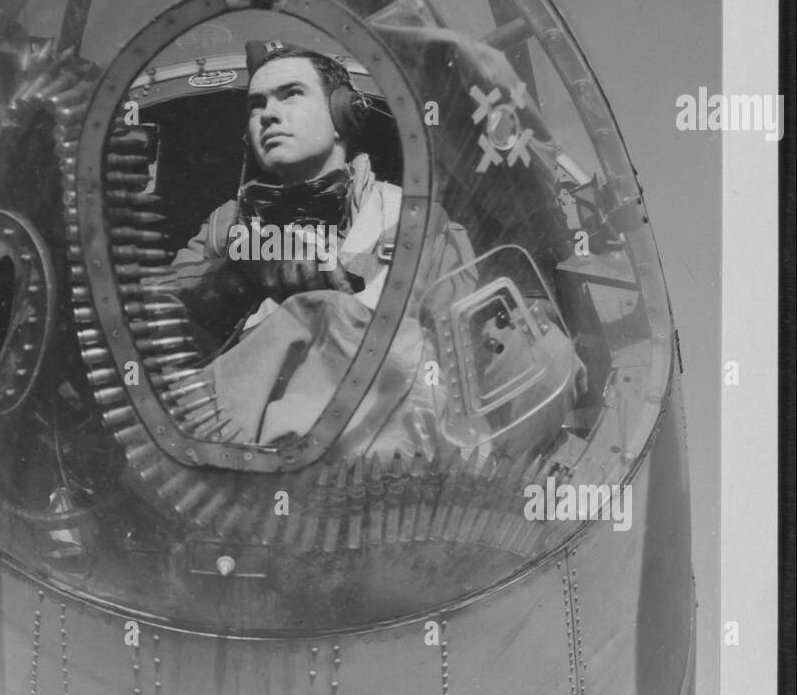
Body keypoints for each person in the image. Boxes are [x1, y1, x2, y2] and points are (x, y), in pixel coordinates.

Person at [157, 40, 579, 457]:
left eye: (290, 94)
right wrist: (232, 282)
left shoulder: (417, 224)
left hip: (379, 466)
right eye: (256, 105)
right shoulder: (225, 227)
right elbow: (151, 331)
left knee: (542, 350)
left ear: (343, 114)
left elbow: (470, 360)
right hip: (237, 457)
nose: (268, 114)